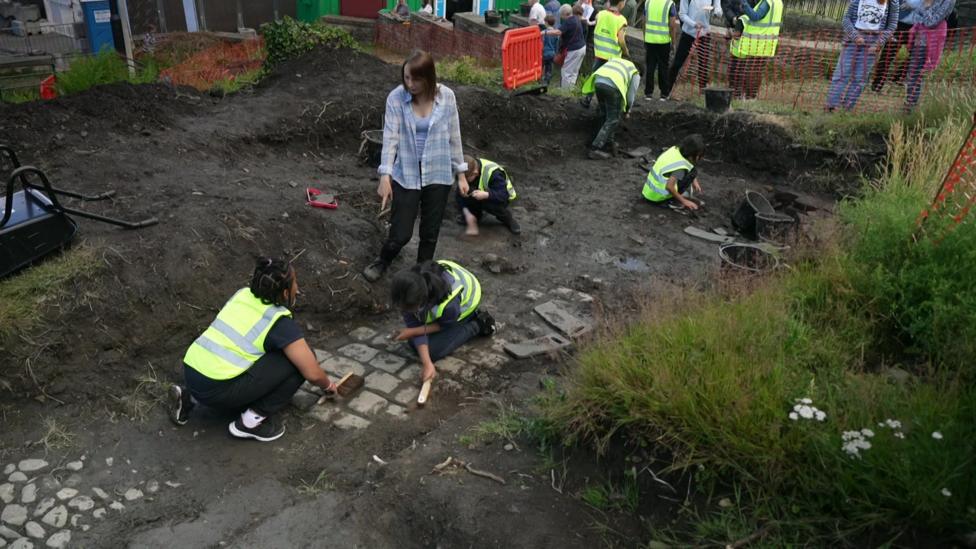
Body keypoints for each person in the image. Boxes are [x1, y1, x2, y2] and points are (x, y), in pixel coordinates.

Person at [169, 258, 338, 442]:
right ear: (284, 292)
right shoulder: (278, 322)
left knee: (264, 353)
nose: (297, 287)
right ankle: (249, 423)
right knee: (300, 363)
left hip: (192, 371)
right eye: (295, 283)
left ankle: (189, 398)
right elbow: (312, 372)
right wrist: (328, 386)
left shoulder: (242, 295)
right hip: (218, 390)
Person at [364, 51, 468, 283]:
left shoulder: (447, 97)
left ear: (429, 77)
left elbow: (454, 134)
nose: (410, 84)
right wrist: (385, 175)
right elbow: (390, 137)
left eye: (416, 79)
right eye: (407, 78)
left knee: (430, 234)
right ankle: (383, 261)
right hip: (407, 173)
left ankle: (421, 277)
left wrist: (461, 173)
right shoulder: (396, 98)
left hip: (438, 174)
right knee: (400, 233)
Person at [391, 260, 496, 382]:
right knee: (413, 342)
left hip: (464, 308)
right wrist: (413, 331)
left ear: (422, 300)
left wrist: (427, 363)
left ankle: (478, 323)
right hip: (442, 301)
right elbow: (413, 322)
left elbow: (443, 326)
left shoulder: (448, 306)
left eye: (408, 308)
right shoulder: (408, 289)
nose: (403, 311)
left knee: (433, 351)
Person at [825, 0, 900, 112]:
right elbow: (846, 19)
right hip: (852, 40)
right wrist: (855, 36)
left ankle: (846, 110)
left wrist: (879, 43)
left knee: (860, 78)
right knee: (841, 74)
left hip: (874, 42)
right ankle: (831, 106)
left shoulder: (892, 2)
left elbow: (892, 25)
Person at [581, 57, 641, 159]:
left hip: (598, 82)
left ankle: (607, 142)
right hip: (613, 87)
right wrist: (627, 110)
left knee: (604, 115)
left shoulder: (617, 61)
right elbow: (631, 96)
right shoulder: (635, 72)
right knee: (613, 119)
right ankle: (595, 148)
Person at [903, 0, 954, 111]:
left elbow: (931, 22)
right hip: (918, 39)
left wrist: (926, 6)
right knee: (911, 75)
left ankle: (910, 107)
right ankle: (908, 106)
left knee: (917, 76)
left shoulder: (948, 1)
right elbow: (916, 18)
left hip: (932, 41)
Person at [667, 0, 723, 97]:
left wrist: (717, 11)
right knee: (678, 62)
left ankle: (703, 92)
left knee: (703, 64)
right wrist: (694, 24)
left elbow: (719, 9)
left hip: (704, 33)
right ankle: (666, 90)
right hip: (688, 32)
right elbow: (682, 14)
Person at [728, 0, 783, 99]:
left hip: (757, 42)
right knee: (757, 71)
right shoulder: (778, 2)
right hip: (767, 42)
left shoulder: (768, 2)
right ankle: (752, 96)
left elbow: (756, 16)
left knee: (752, 71)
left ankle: (748, 96)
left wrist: (744, 4)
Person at [457, 155, 521, 236]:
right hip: (483, 192)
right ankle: (476, 215)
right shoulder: (471, 166)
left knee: (489, 204)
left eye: (466, 179)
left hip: (502, 197)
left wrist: (486, 195)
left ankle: (509, 220)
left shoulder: (494, 174)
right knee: (463, 190)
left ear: (475, 173)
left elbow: (503, 195)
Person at [641, 134, 706, 210]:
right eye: (698, 155)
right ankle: (670, 199)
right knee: (692, 173)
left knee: (692, 170)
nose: (700, 158)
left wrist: (694, 181)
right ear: (692, 154)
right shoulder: (680, 168)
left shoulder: (674, 150)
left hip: (648, 192)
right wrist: (684, 201)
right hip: (658, 197)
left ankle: (672, 196)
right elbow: (669, 186)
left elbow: (689, 165)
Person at [870, 0, 917, 91]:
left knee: (916, 55)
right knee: (887, 55)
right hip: (898, 24)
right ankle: (877, 84)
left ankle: (898, 77)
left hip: (918, 27)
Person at [643, 0, 679, 100]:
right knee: (663, 67)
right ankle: (664, 94)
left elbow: (644, 21)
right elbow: (672, 25)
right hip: (663, 41)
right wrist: (673, 42)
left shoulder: (648, 2)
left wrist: (645, 37)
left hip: (650, 39)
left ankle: (648, 93)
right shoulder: (669, 4)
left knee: (650, 66)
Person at [559, 4, 587, 88]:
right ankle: (571, 88)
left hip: (574, 49)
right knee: (574, 71)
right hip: (582, 47)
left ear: (565, 14)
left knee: (566, 71)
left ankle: (565, 91)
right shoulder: (578, 20)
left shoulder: (569, 21)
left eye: (562, 16)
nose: (561, 18)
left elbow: (558, 32)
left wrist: (545, 32)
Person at [542, 14, 563, 85]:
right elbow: (557, 44)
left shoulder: (544, 32)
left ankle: (541, 79)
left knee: (543, 67)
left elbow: (542, 43)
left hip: (544, 53)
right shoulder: (555, 33)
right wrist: (556, 53)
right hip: (552, 53)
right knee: (549, 68)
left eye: (544, 22)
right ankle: (547, 81)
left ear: (547, 23)